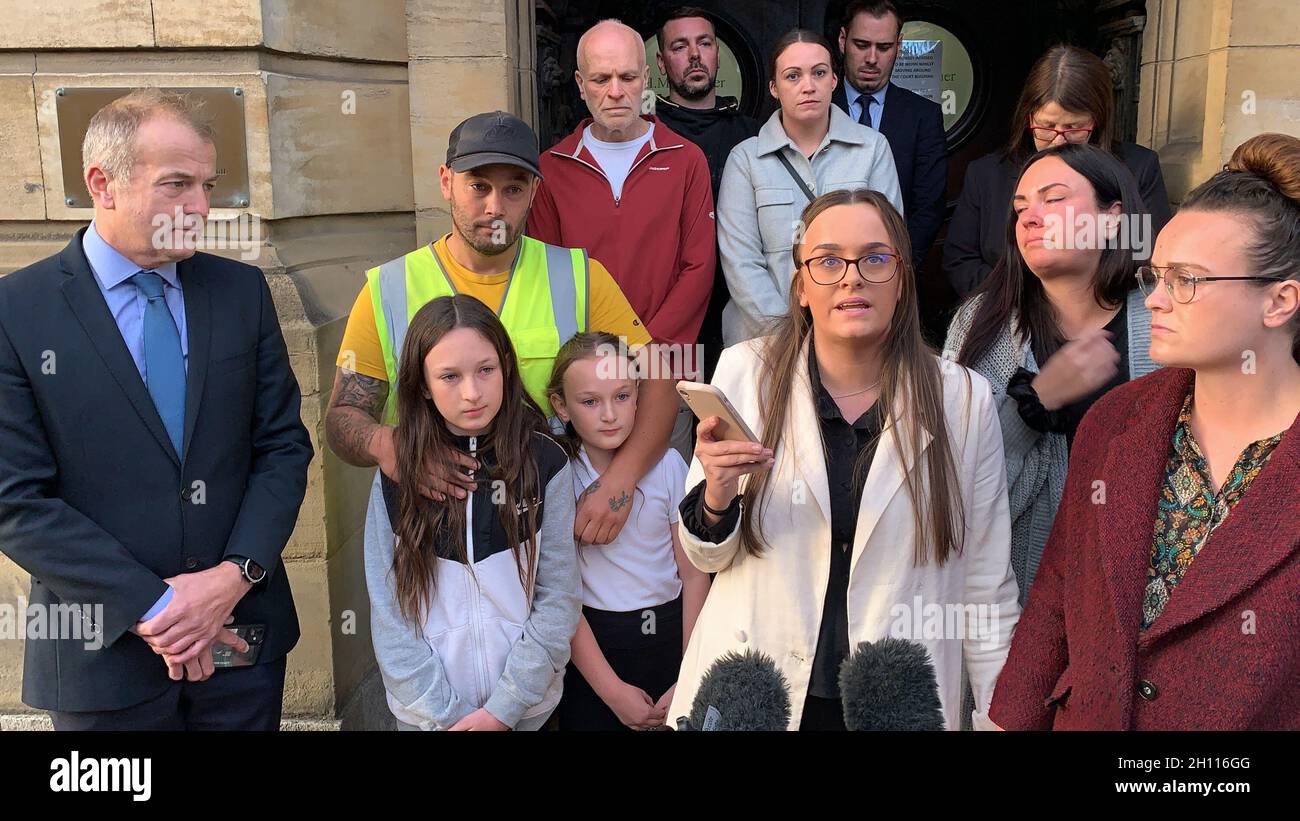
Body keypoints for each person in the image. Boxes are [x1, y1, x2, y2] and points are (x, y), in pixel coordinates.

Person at [0, 88, 313, 730]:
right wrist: (161, 608)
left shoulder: (240, 293)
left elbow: (282, 447)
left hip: (241, 643)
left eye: (207, 184)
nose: (200, 206)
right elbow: (15, 499)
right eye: (177, 184)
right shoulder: (18, 313)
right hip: (103, 658)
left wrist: (233, 578)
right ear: (102, 184)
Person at [669, 188, 1019, 731]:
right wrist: (715, 495)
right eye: (828, 260)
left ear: (902, 279)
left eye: (874, 258)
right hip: (759, 694)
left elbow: (987, 583)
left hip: (896, 699)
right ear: (802, 286)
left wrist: (997, 720)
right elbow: (704, 557)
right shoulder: (744, 375)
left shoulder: (963, 400)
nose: (851, 277)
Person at [990, 134, 1300, 730]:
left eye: (1186, 280)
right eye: (1157, 274)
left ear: (1279, 300)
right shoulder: (1119, 421)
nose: (1156, 299)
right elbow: (1058, 589)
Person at [326, 110, 678, 548]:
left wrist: (619, 482)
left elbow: (660, 381)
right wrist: (391, 446)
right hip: (433, 541)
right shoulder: (388, 289)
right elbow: (342, 419)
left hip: (553, 535)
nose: (495, 206)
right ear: (445, 181)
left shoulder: (580, 276)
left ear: (534, 191)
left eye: (513, 188)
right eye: (478, 186)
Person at [944, 143, 1159, 605]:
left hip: (1141, 598)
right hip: (1018, 603)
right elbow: (951, 500)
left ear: (1112, 217)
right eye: (1020, 207)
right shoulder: (981, 325)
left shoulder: (1166, 319)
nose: (1029, 217)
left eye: (1054, 199)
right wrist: (1032, 408)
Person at [363, 295, 582, 731]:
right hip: (428, 719)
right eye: (449, 376)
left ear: (505, 366)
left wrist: (504, 710)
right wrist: (448, 715)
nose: (472, 392)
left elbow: (558, 600)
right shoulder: (396, 473)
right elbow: (388, 614)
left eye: (486, 369)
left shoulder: (546, 462)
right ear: (422, 384)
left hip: (527, 713)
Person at [528, 18, 717, 458]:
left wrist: (643, 355)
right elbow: (549, 275)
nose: (616, 91)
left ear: (646, 78)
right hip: (584, 379)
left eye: (627, 77)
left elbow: (698, 268)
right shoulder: (551, 168)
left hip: (666, 367)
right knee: (586, 504)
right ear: (579, 84)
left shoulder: (686, 159)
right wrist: (592, 365)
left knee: (663, 497)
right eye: (601, 78)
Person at [545, 332, 709, 730]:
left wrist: (690, 670)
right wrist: (612, 691)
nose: (609, 415)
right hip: (593, 652)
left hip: (671, 640)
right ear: (560, 406)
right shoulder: (558, 475)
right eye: (589, 401)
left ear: (639, 392)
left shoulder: (669, 465)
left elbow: (693, 572)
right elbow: (560, 595)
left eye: (622, 396)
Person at [718, 28, 902, 346]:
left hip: (854, 343)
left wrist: (841, 335)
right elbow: (741, 262)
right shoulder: (746, 159)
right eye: (793, 76)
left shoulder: (872, 149)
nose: (808, 86)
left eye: (819, 73)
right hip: (763, 344)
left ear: (833, 80)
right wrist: (789, 336)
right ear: (774, 88)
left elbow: (887, 249)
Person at [944, 44, 1171, 299]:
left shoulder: (1138, 168)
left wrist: (1083, 307)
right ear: (1029, 118)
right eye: (1047, 126)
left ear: (1097, 121)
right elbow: (961, 261)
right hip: (1008, 314)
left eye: (1074, 128)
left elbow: (1146, 258)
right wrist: (1023, 304)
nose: (1058, 141)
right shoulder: (986, 174)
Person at [651, 5, 760, 382]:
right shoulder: (645, 136)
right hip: (669, 308)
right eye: (680, 46)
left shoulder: (753, 136)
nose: (695, 55)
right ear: (662, 63)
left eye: (704, 43)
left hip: (741, 305)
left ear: (717, 54)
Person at [832, 0, 947, 268]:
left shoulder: (924, 116)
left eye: (884, 47)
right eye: (861, 45)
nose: (872, 58)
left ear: (899, 46)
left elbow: (928, 207)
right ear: (842, 40)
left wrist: (899, 268)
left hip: (897, 269)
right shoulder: (818, 109)